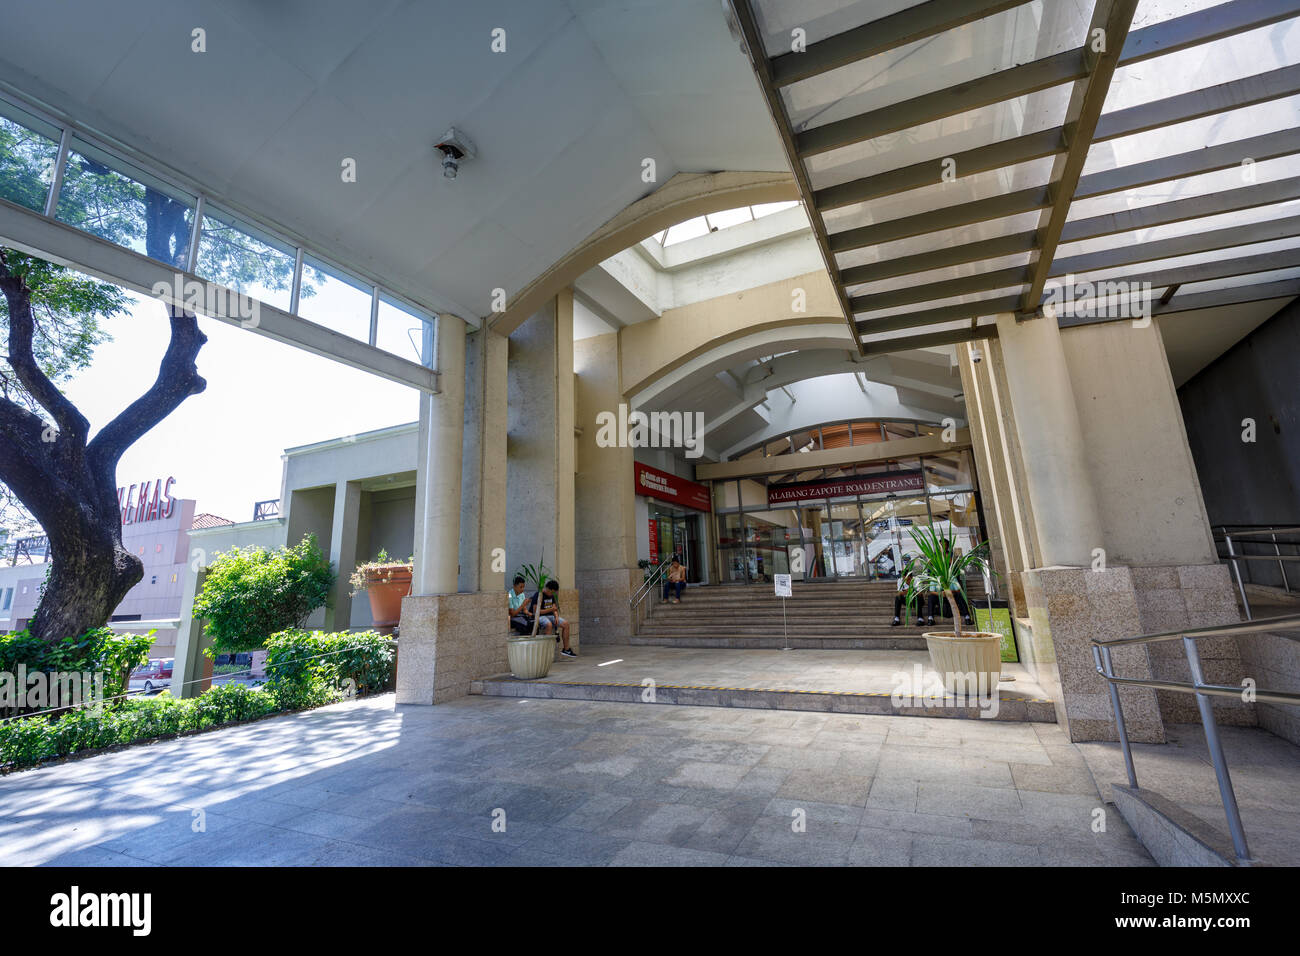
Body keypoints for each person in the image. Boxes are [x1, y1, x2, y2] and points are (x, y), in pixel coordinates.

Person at [527, 579, 575, 657]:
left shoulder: (551, 596)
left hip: (550, 615)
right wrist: (551, 610)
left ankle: (566, 649)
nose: (552, 594)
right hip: (539, 616)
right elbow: (536, 612)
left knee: (566, 624)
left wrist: (556, 616)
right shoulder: (538, 595)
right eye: (552, 592)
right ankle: (546, 652)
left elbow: (554, 608)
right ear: (548, 589)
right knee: (548, 624)